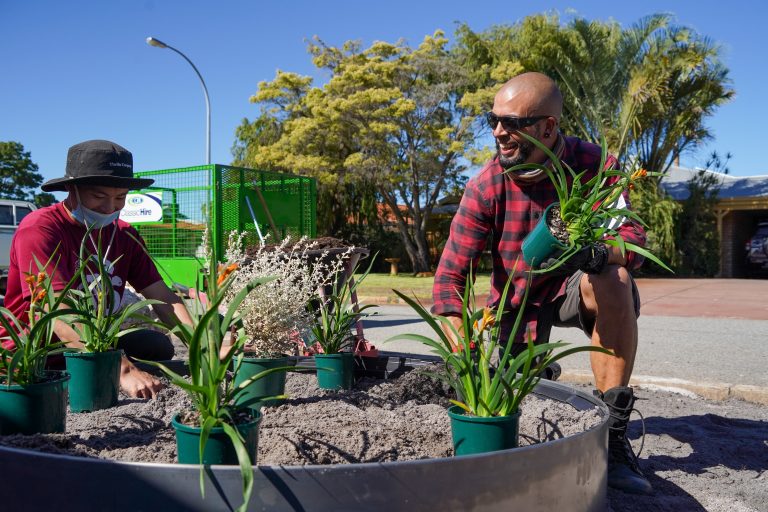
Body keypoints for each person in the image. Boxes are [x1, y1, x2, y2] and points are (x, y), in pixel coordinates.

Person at [432, 72, 652, 495]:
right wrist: (468, 358)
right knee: (513, 389)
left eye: (511, 122)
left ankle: (613, 434)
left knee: (613, 278)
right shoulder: (485, 185)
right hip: (516, 310)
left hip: (576, 286)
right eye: (492, 119)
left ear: (548, 127)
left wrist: (601, 254)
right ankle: (536, 372)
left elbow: (633, 242)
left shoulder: (594, 166)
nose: (498, 131)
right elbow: (449, 281)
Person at [3, 139, 192, 399]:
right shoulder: (40, 229)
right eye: (99, 196)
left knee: (157, 345)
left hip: (96, 342)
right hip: (35, 350)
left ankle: (104, 362)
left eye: (120, 198)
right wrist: (121, 370)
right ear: (72, 189)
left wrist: (202, 346)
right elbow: (55, 309)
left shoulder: (125, 235)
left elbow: (163, 297)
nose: (110, 208)